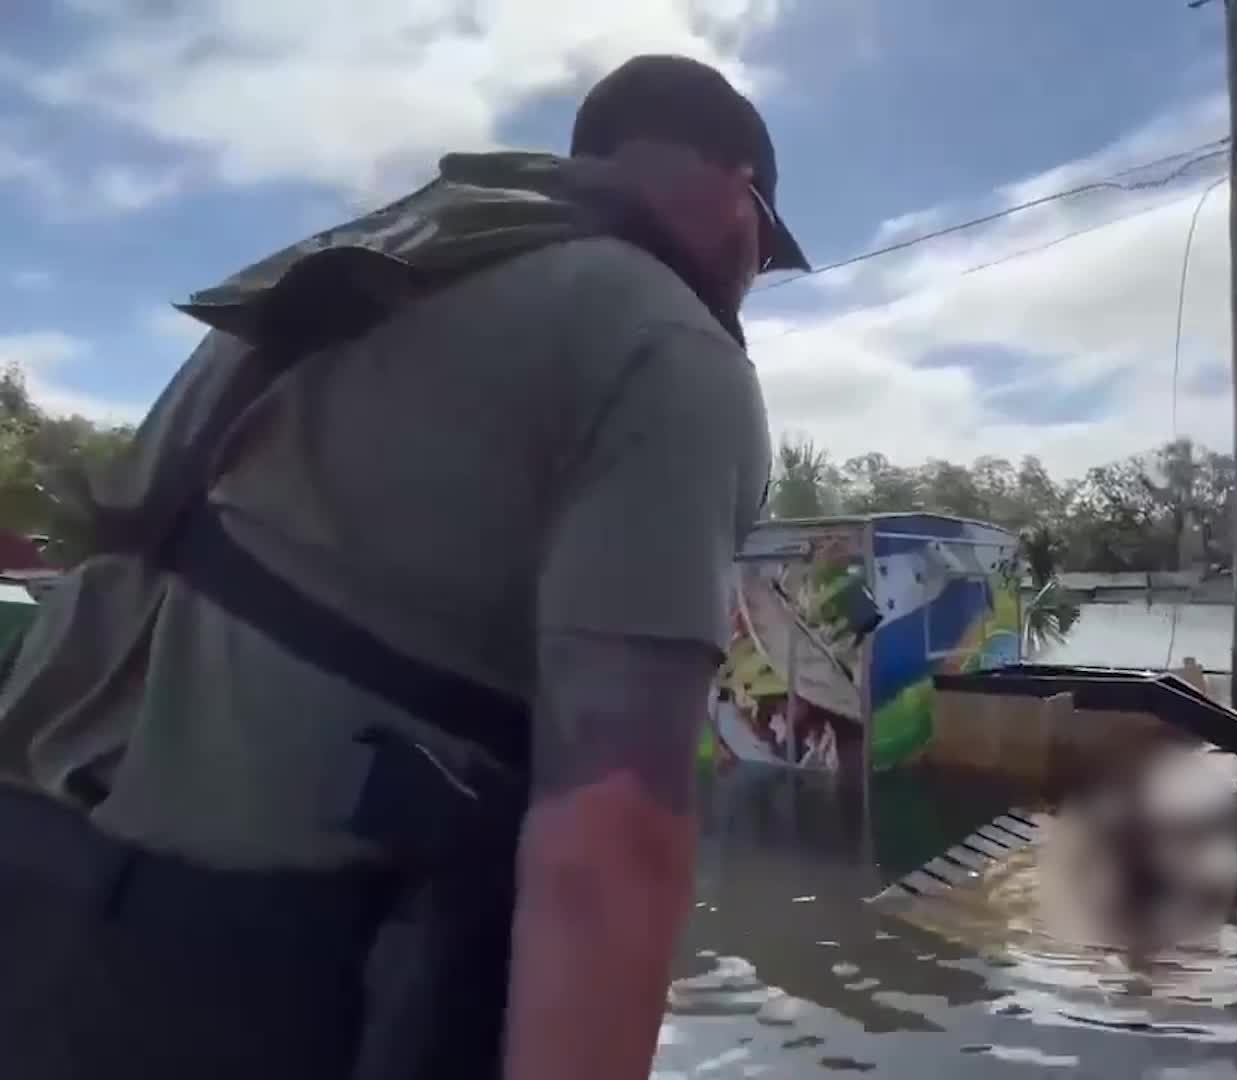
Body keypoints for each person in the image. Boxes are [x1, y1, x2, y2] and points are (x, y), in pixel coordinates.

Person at [0, 54, 803, 1080]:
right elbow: (614, 849)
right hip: (264, 984)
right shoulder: (667, 347)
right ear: (742, 197)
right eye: (768, 253)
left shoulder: (376, 264)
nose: (754, 282)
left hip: (39, 907)